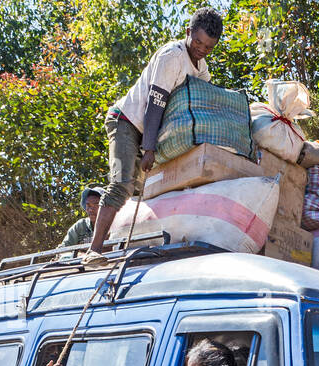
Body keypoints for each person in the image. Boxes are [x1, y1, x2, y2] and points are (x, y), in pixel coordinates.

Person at [85, 7, 224, 257]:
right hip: (126, 122)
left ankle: (126, 246)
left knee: (149, 191)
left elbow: (201, 105)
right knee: (121, 186)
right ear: (188, 32)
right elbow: (154, 104)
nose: (201, 50)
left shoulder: (201, 68)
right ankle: (94, 251)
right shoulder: (172, 56)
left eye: (208, 47)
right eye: (198, 42)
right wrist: (149, 148)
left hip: (151, 132)